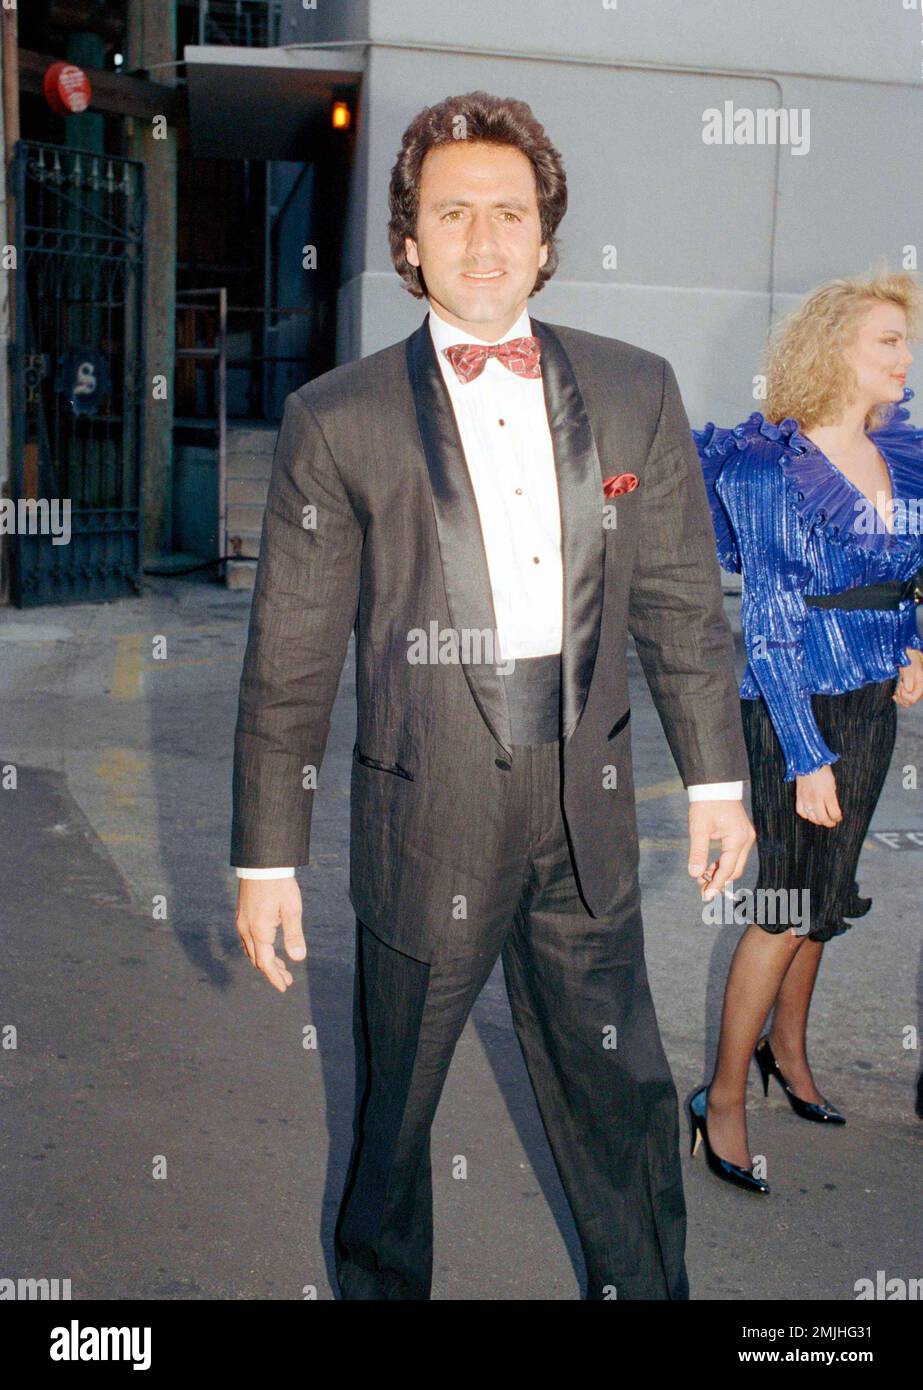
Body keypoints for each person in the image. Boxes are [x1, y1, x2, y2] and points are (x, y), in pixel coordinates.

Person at [230, 90, 754, 1299]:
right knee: (392, 1125)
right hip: (429, 819)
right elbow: (293, 657)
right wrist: (267, 857)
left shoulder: (635, 388)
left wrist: (717, 779)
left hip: (589, 817)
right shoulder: (337, 417)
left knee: (620, 1105)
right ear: (407, 241)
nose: (482, 237)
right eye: (450, 212)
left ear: (545, 233)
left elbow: (679, 597)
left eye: (507, 211)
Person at [690, 269, 923, 1195]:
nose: (904, 359)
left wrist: (912, 644)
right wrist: (805, 754)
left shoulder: (898, 455)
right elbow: (773, 622)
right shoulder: (765, 468)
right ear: (835, 352)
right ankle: (720, 1100)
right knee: (782, 909)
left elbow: (908, 571)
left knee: (827, 898)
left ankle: (786, 1054)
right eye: (888, 343)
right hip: (794, 703)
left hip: (869, 696)